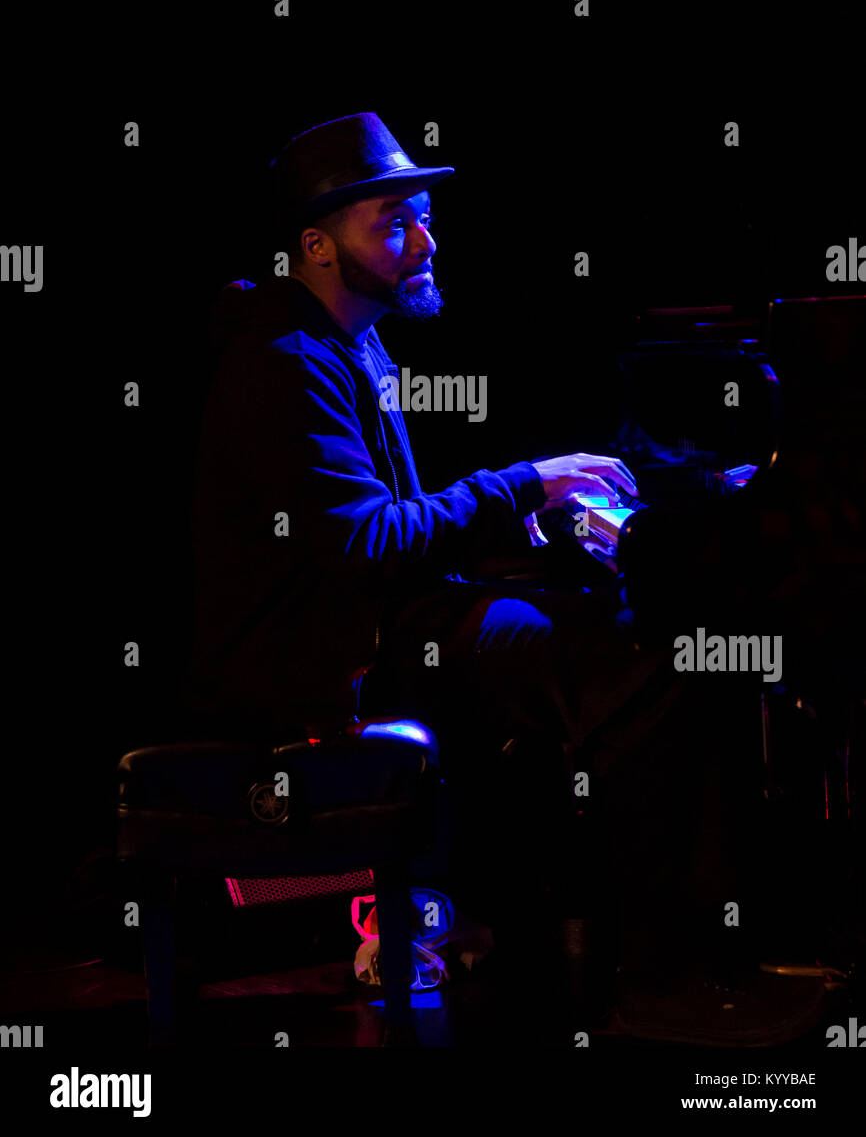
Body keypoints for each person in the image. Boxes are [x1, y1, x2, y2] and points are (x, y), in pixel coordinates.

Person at [186, 113, 820, 1043]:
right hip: (321, 665)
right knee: (629, 670)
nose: (426, 239)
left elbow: (383, 531)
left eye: (426, 216)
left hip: (376, 626)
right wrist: (522, 483)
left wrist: (529, 522)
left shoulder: (346, 342)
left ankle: (589, 940)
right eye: (394, 221)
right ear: (316, 245)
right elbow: (362, 543)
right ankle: (669, 982)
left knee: (594, 625)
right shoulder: (284, 364)